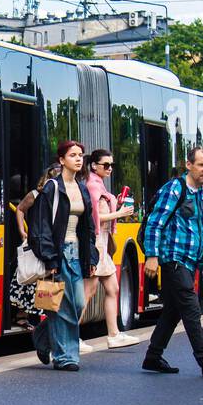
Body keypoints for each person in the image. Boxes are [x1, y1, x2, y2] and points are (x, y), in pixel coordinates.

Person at [141, 146, 203, 376]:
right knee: (191, 307)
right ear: (189, 165)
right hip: (172, 258)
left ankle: (153, 356)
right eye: (201, 165)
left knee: (174, 310)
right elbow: (155, 223)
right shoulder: (175, 189)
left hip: (191, 260)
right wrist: (152, 256)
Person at [29, 141, 100, 372]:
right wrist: (49, 258)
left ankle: (42, 336)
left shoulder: (82, 188)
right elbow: (40, 227)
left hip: (77, 253)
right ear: (61, 160)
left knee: (78, 302)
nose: (78, 159)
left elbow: (88, 226)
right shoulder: (51, 188)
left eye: (81, 155)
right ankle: (66, 357)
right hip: (59, 253)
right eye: (73, 155)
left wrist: (91, 257)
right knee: (61, 306)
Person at [82, 149, 139, 349]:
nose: (110, 169)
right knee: (88, 290)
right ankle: (71, 336)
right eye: (106, 165)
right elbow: (94, 217)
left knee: (112, 288)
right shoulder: (92, 184)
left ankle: (113, 334)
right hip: (97, 242)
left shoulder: (98, 184)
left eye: (111, 165)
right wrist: (119, 213)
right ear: (94, 166)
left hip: (103, 242)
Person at [9, 165, 60, 331]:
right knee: (34, 276)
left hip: (54, 243)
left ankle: (45, 320)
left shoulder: (63, 196)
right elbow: (20, 209)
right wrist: (22, 230)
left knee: (48, 280)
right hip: (37, 244)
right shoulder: (35, 194)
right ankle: (27, 317)